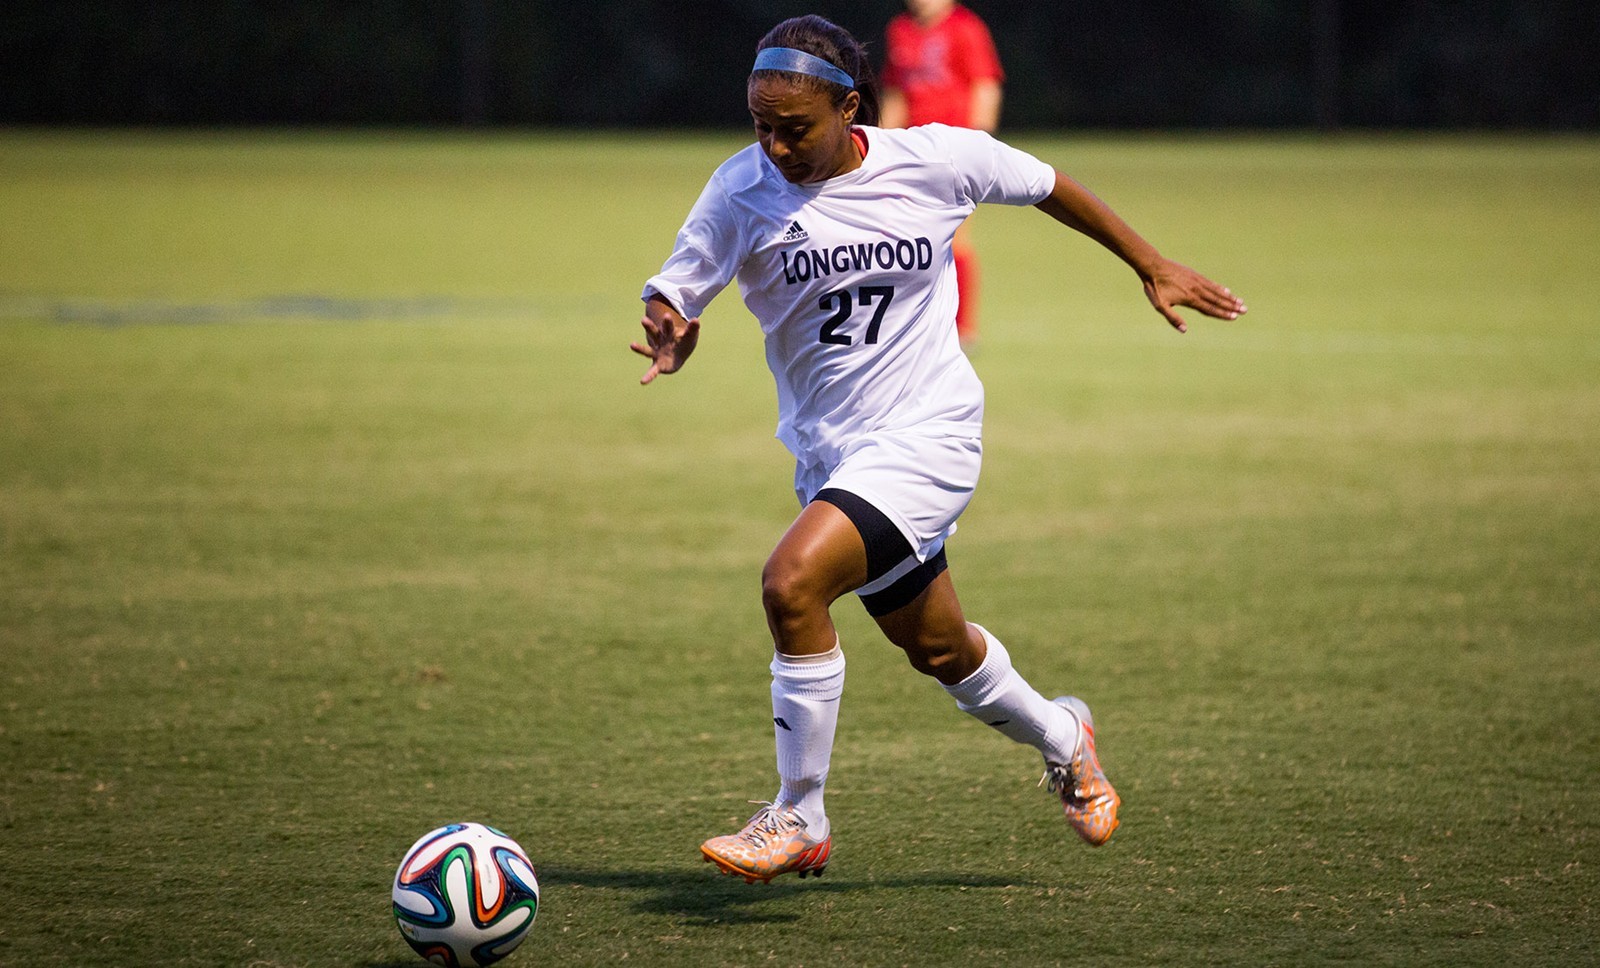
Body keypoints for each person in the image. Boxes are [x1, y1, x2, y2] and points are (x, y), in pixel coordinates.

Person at [632, 15, 1245, 884]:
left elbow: (1048, 185)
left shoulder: (934, 160)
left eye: (794, 128)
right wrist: (671, 323)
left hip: (931, 435)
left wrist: (1148, 262)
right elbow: (679, 286)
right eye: (760, 125)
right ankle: (1066, 737)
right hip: (833, 458)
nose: (774, 146)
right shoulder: (741, 189)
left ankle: (799, 812)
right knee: (942, 650)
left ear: (850, 108)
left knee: (791, 583)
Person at [880, 0, 1005, 347]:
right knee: (903, 235)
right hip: (910, 151)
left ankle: (961, 328)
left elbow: (985, 86)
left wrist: (977, 148)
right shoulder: (900, 30)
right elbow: (895, 93)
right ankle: (912, 320)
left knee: (955, 236)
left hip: (953, 150)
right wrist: (880, 145)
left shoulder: (965, 27)